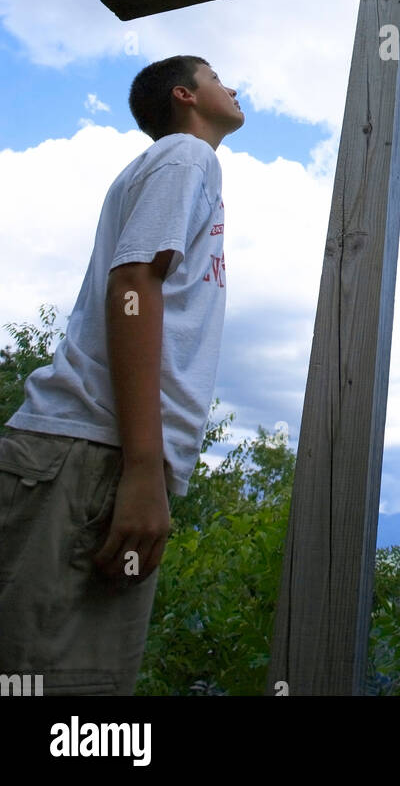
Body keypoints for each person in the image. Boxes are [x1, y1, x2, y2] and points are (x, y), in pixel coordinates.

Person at [0, 55, 244, 695]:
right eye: (217, 76)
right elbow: (134, 283)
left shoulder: (181, 167)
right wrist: (142, 468)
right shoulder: (187, 157)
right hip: (95, 455)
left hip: (98, 456)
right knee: (56, 693)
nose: (233, 85)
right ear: (186, 96)